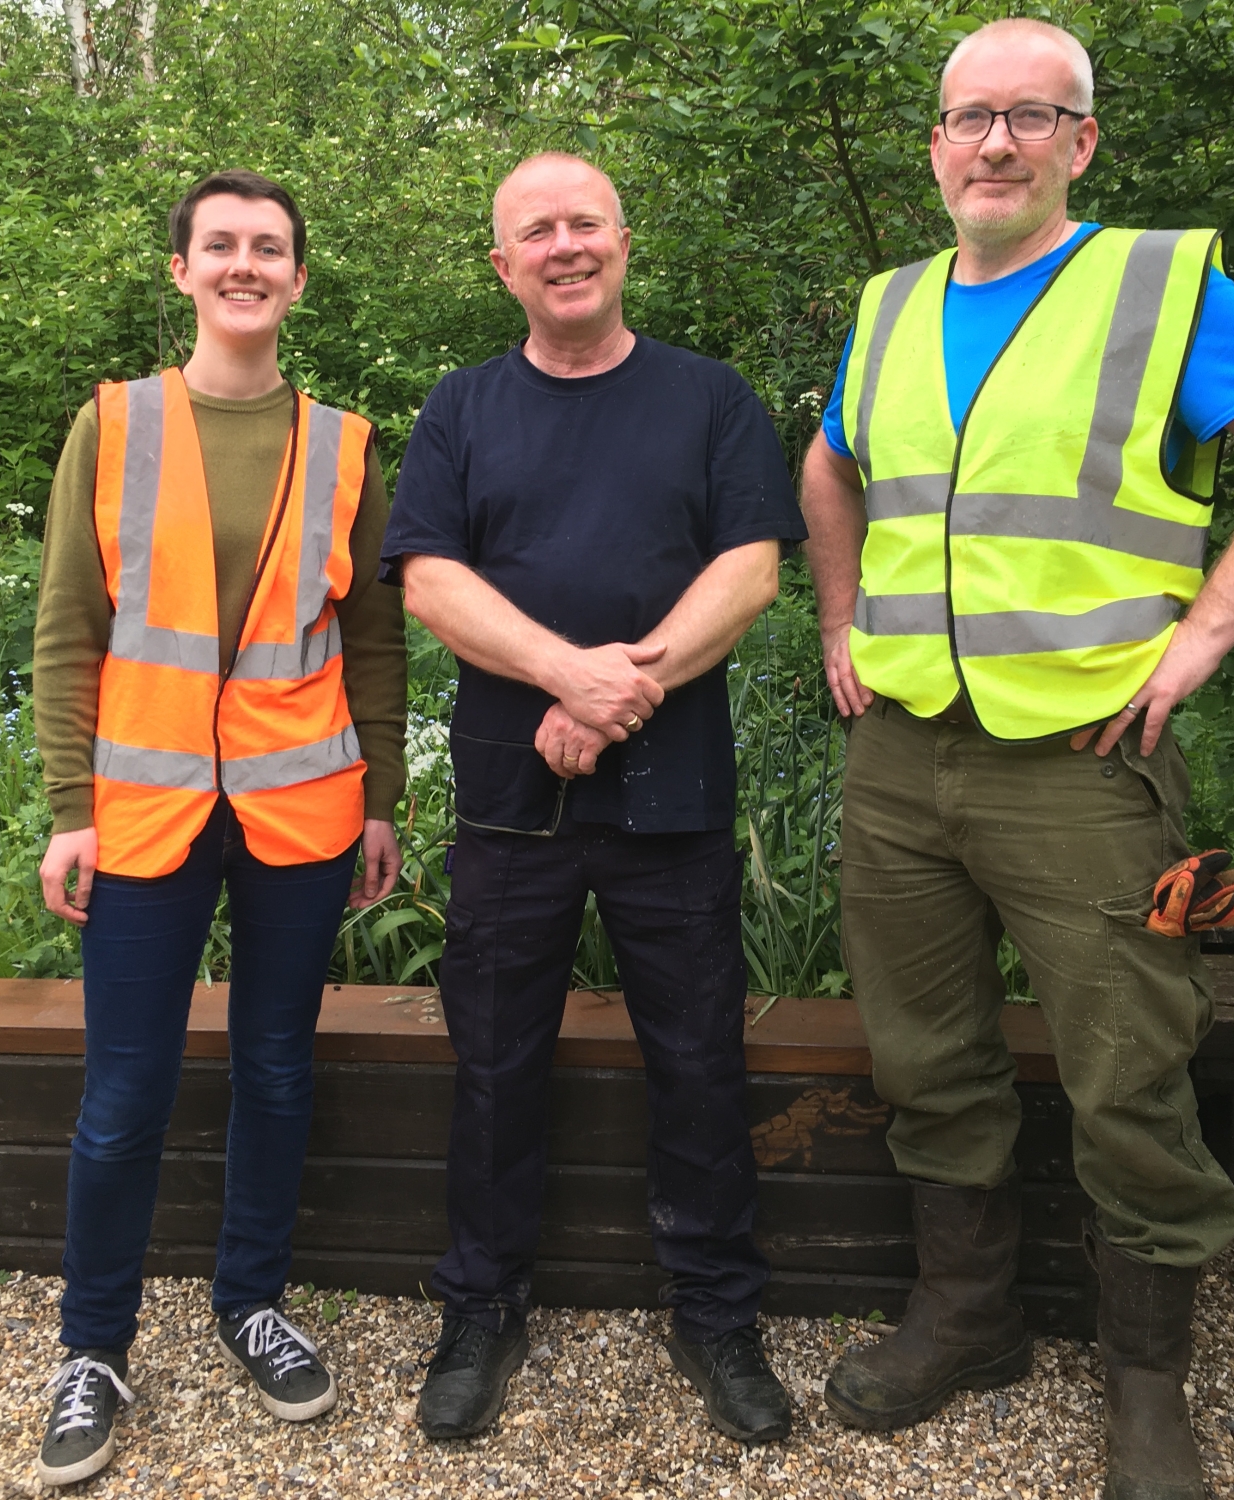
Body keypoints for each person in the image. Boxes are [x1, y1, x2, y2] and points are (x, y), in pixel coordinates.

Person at [802, 19, 1234, 1500]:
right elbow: (830, 462)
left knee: (1129, 1070)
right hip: (902, 761)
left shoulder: (1157, 286)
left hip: (1083, 766)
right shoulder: (892, 303)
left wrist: (1201, 640)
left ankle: (1146, 1385)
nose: (997, 142)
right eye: (971, 117)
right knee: (923, 1056)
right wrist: (836, 617)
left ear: (1082, 141)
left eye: (1032, 115)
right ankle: (969, 1317)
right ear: (936, 146)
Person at [380, 152, 809, 1444]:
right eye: (536, 230)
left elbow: (751, 571)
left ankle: (716, 1311)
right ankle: (482, 1306)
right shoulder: (462, 408)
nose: (564, 245)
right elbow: (429, 582)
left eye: (585, 223)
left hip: (674, 791)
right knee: (493, 1061)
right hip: (511, 798)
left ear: (623, 243)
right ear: (502, 264)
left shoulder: (709, 399)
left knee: (700, 1057)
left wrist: (624, 692)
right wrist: (568, 676)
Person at [31, 169, 407, 1486]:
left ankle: (251, 1301)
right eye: (222, 245)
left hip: (302, 807)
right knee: (122, 1097)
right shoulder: (114, 423)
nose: (246, 264)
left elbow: (375, 640)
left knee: (278, 1070)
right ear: (183, 269)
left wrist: (382, 800)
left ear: (297, 278)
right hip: (145, 812)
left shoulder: (346, 443)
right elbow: (69, 627)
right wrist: (70, 809)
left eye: (270, 247)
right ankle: (93, 1347)